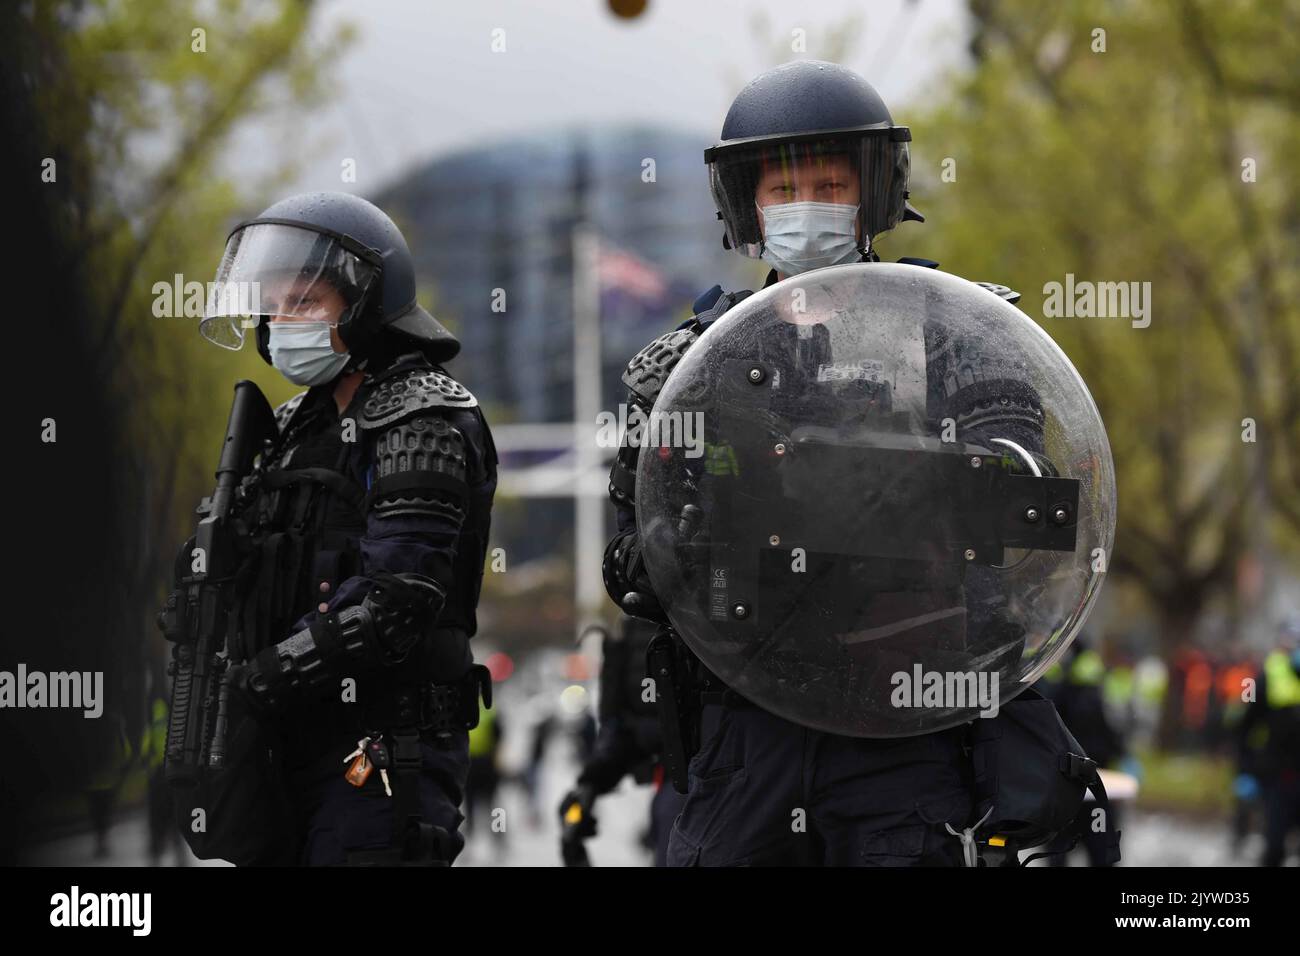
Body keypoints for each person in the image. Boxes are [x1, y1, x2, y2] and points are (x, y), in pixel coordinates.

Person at [603, 61, 1053, 867]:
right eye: (783, 189)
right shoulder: (686, 369)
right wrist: (687, 544)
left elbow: (1023, 495)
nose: (805, 204)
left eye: (829, 183)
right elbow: (630, 555)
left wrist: (885, 491)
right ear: (747, 205)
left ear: (873, 192)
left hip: (911, 722)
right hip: (746, 728)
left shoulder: (958, 334)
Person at [168, 191, 497, 866]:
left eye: (305, 302)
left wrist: (268, 674)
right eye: (274, 305)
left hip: (382, 749)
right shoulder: (293, 427)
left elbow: (397, 601)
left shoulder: (424, 418)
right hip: (283, 746)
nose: (282, 321)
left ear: (367, 306)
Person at [558, 618, 686, 866]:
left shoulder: (689, 618)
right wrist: (590, 783)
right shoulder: (638, 627)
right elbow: (628, 726)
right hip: (676, 784)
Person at [1236, 617, 1300, 866]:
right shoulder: (1262, 676)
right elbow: (1246, 725)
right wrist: (1244, 769)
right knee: (1275, 844)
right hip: (1278, 774)